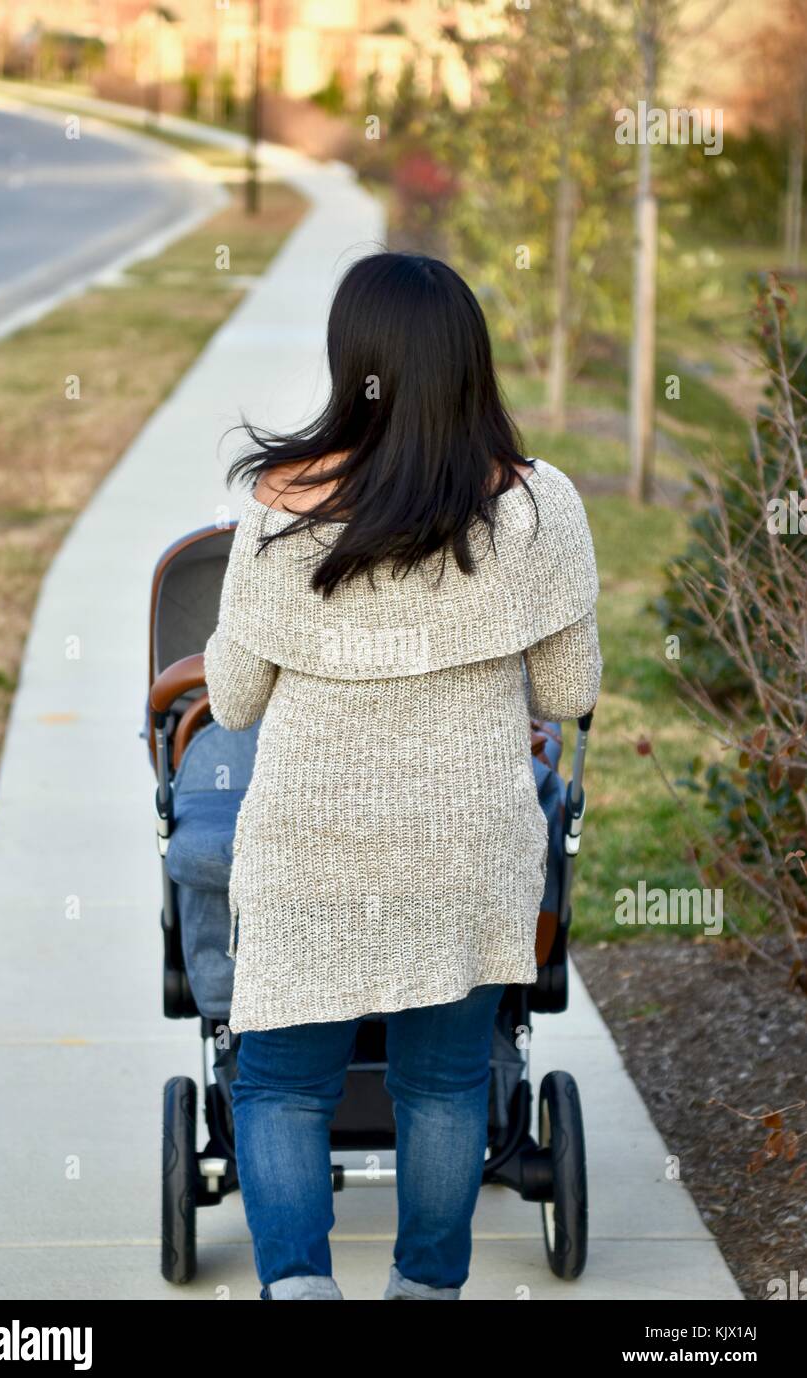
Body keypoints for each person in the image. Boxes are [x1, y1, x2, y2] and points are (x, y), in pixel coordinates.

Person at [204, 251, 602, 1300]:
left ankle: (298, 1290)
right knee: (440, 1085)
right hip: (462, 847)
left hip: (309, 850)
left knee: (284, 1089)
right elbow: (567, 689)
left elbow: (234, 700)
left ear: (354, 364)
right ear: (468, 363)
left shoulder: (280, 510)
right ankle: (424, 1289)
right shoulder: (536, 505)